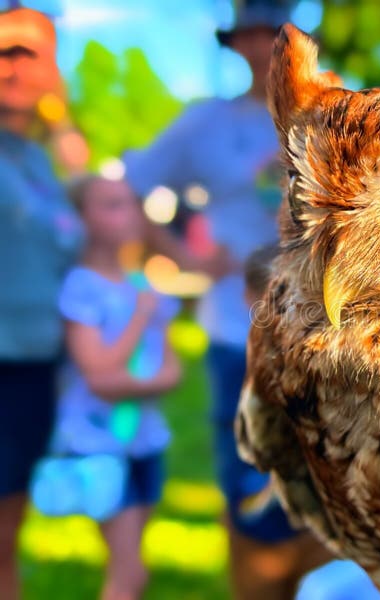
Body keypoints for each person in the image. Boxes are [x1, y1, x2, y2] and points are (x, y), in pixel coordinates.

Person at [123, 4, 331, 598]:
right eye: (253, 33)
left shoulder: (332, 114)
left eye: (277, 33)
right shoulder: (205, 123)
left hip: (324, 331)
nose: (264, 45)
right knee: (250, 475)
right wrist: (185, 259)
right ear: (235, 42)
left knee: (336, 475)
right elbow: (131, 188)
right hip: (234, 329)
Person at [53, 175, 181, 600]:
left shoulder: (138, 285)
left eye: (129, 202)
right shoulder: (82, 288)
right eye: (110, 204)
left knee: (131, 570)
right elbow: (98, 371)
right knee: (128, 576)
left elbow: (172, 371)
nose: (127, 214)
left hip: (144, 442)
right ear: (80, 218)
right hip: (100, 445)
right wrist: (142, 318)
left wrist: (132, 381)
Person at [0, 8, 84, 598]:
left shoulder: (33, 158)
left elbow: (89, 201)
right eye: (4, 52)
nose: (13, 67)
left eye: (30, 54)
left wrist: (59, 119)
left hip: (32, 367)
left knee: (6, 533)